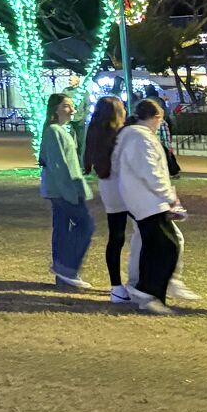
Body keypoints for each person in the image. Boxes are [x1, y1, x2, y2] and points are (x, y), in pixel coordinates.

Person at [111, 98, 186, 314]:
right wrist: (168, 195)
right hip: (148, 201)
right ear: (155, 118)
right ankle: (148, 291)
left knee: (158, 245)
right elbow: (151, 172)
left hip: (144, 200)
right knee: (165, 246)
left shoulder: (132, 137)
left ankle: (148, 289)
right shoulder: (140, 139)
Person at [39, 92, 95, 289]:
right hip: (62, 190)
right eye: (66, 106)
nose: (72, 110)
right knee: (86, 225)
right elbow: (59, 166)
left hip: (62, 189)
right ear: (55, 109)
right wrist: (71, 193)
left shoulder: (64, 130)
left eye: (71, 106)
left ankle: (63, 275)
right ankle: (67, 268)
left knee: (62, 229)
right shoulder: (54, 131)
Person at [83, 96, 129, 307]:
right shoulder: (120, 134)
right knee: (143, 232)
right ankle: (138, 281)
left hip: (108, 186)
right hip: (126, 187)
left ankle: (116, 286)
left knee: (116, 236)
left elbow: (88, 160)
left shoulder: (93, 132)